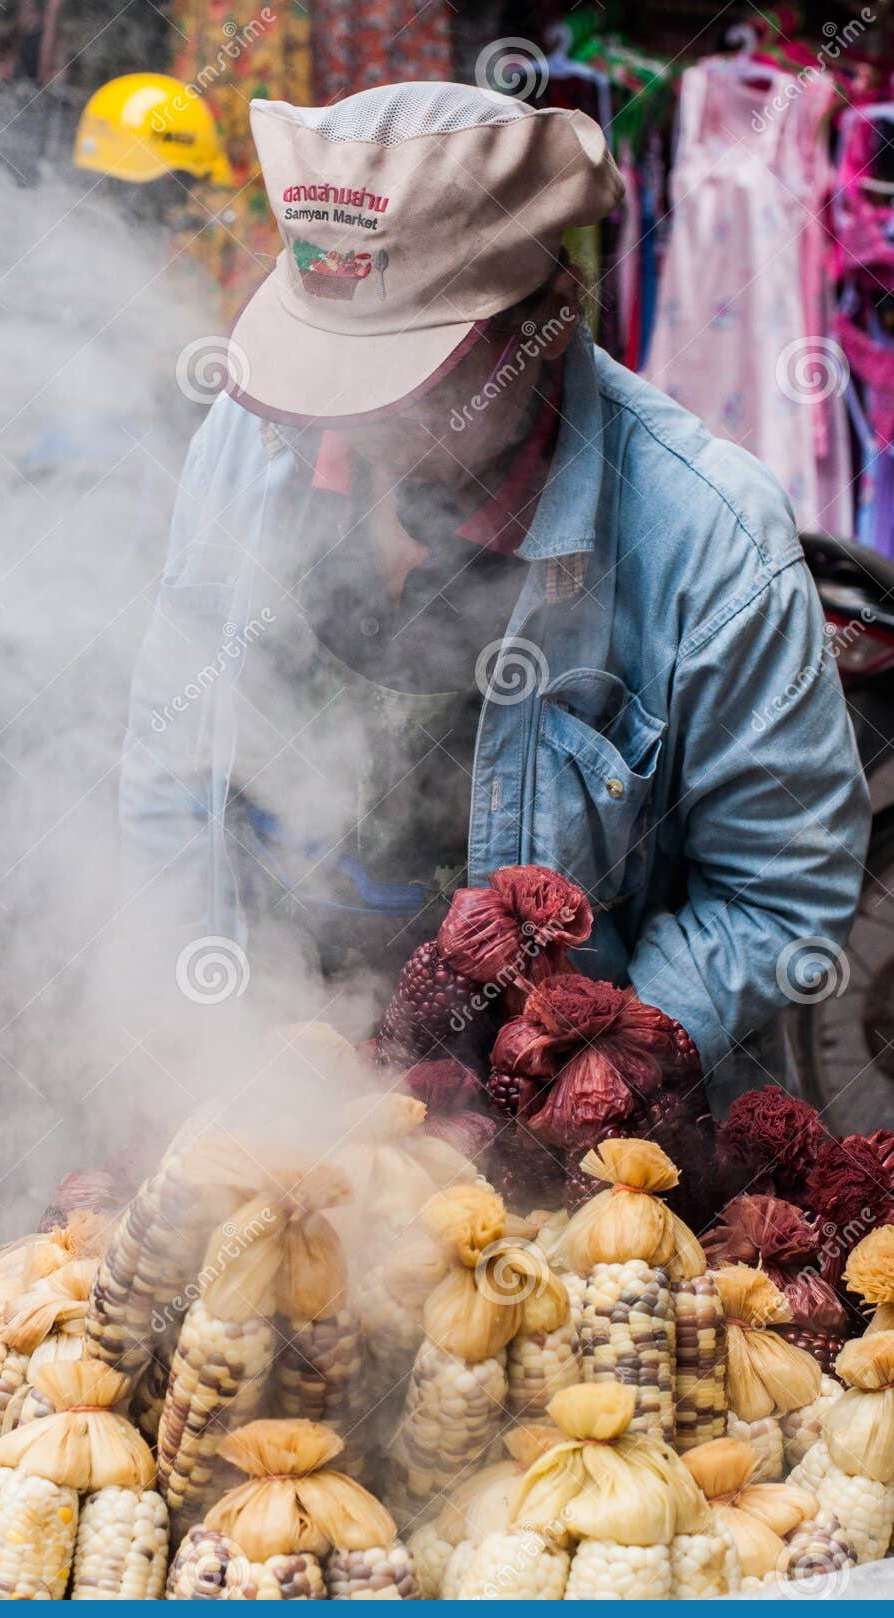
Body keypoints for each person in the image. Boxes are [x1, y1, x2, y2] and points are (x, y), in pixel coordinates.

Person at [120, 81, 869, 1108]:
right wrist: (184, 1013)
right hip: (279, 1072)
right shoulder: (249, 440)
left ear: (550, 321)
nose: (356, 418)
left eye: (409, 384)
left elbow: (781, 889)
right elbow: (173, 757)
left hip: (562, 1139)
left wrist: (602, 1063)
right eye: (334, 368)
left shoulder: (710, 540)